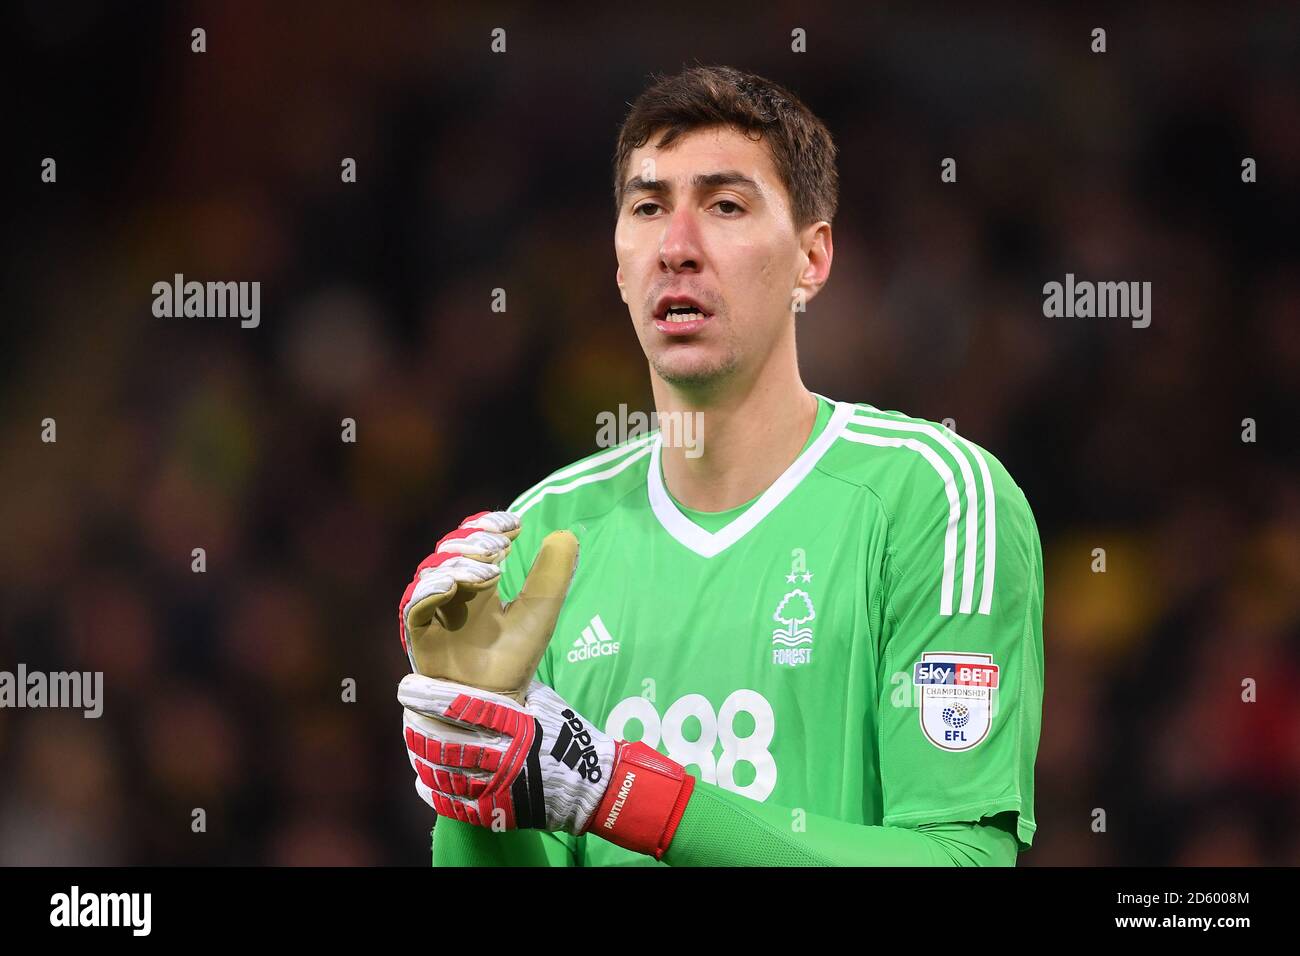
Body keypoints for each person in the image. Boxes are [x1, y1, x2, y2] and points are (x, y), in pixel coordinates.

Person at [397, 65, 1044, 866]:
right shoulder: (538, 536)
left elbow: (961, 861)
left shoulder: (936, 499)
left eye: (726, 206)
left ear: (813, 259)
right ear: (619, 263)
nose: (677, 247)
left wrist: (624, 793)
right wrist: (471, 768)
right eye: (648, 208)